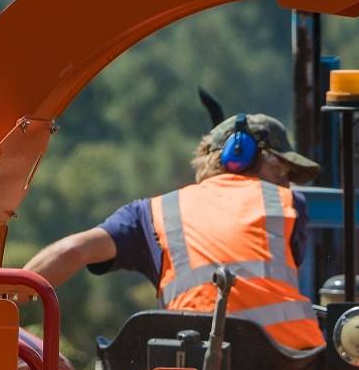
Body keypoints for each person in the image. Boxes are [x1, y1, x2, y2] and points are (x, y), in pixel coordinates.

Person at [22, 113, 325, 350]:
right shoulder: (288, 202)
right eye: (281, 171)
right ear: (240, 154)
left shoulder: (153, 211)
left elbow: (72, 251)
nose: (286, 183)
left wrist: (3, 303)